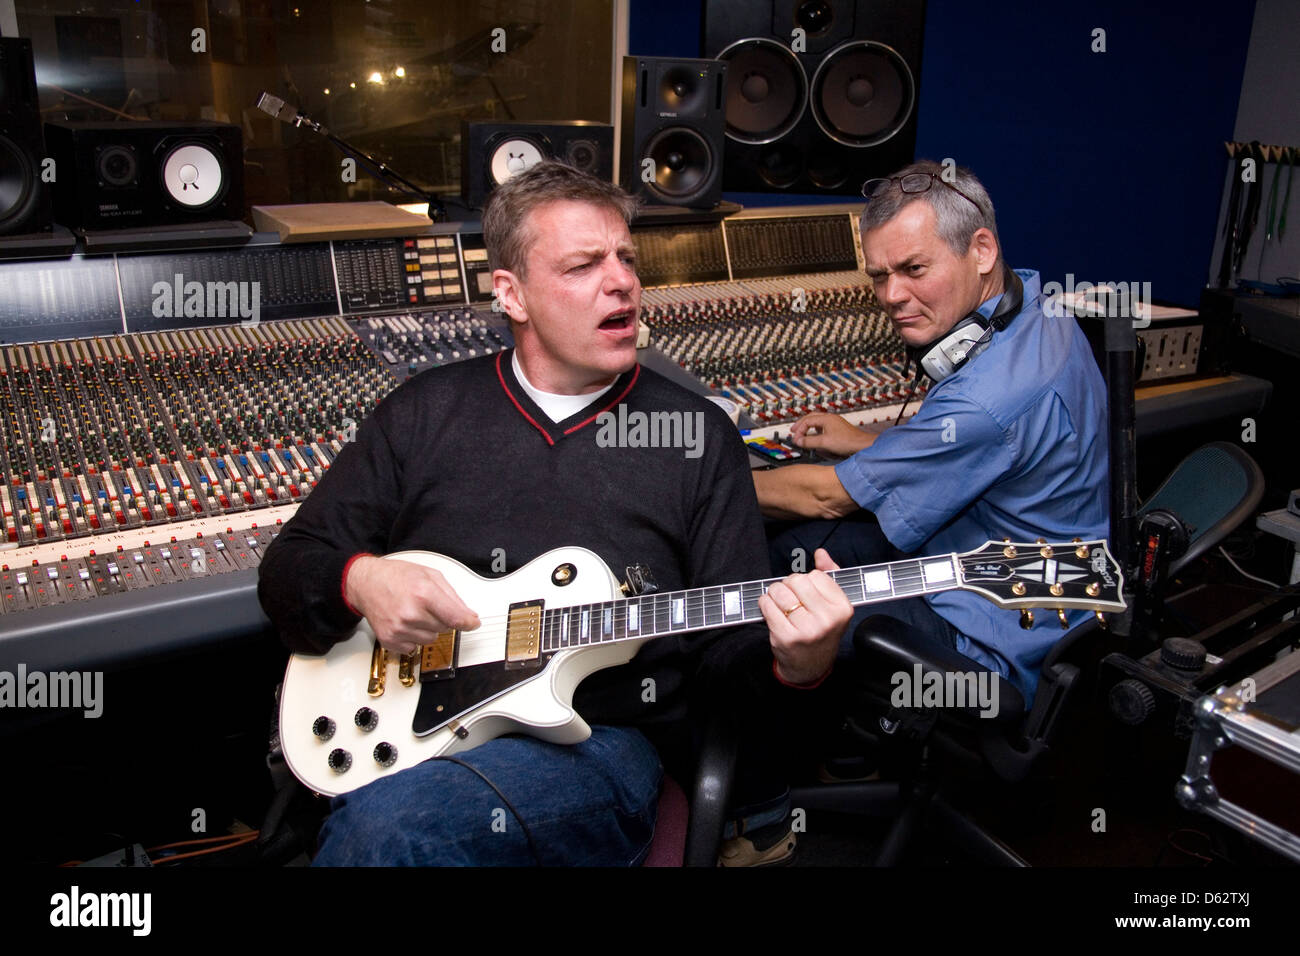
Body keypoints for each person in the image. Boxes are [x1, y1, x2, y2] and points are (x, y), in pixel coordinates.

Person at [257, 160, 852, 865]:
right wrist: (361, 582)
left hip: (594, 747)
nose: (622, 279)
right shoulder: (423, 413)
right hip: (409, 731)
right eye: (582, 264)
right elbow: (290, 571)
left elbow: (727, 663)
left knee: (396, 834)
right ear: (511, 293)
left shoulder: (696, 437)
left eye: (626, 257)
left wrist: (801, 663)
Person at [754, 160, 1108, 703]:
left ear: (982, 250)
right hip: (1052, 576)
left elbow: (825, 498)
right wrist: (862, 441)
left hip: (997, 627)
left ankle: (793, 763)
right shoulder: (1040, 306)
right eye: (878, 275)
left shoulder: (985, 401)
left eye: (914, 269)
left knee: (782, 603)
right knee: (801, 548)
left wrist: (707, 481)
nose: (891, 295)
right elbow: (990, 449)